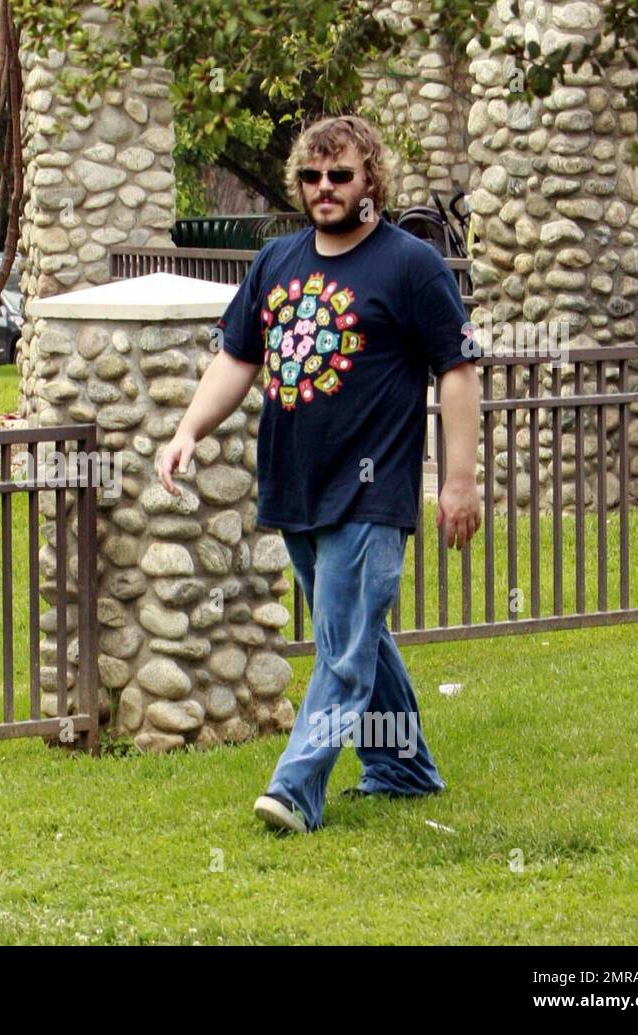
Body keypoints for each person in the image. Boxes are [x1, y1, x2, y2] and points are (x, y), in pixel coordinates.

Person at [156, 114, 482, 835]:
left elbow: (456, 371)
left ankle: (295, 788)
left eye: (341, 175)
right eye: (312, 176)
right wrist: (186, 430)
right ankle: (402, 765)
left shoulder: (409, 264)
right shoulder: (277, 259)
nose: (325, 188)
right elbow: (237, 358)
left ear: (372, 180)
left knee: (341, 644)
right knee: (356, 633)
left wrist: (460, 480)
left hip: (374, 488)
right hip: (296, 483)